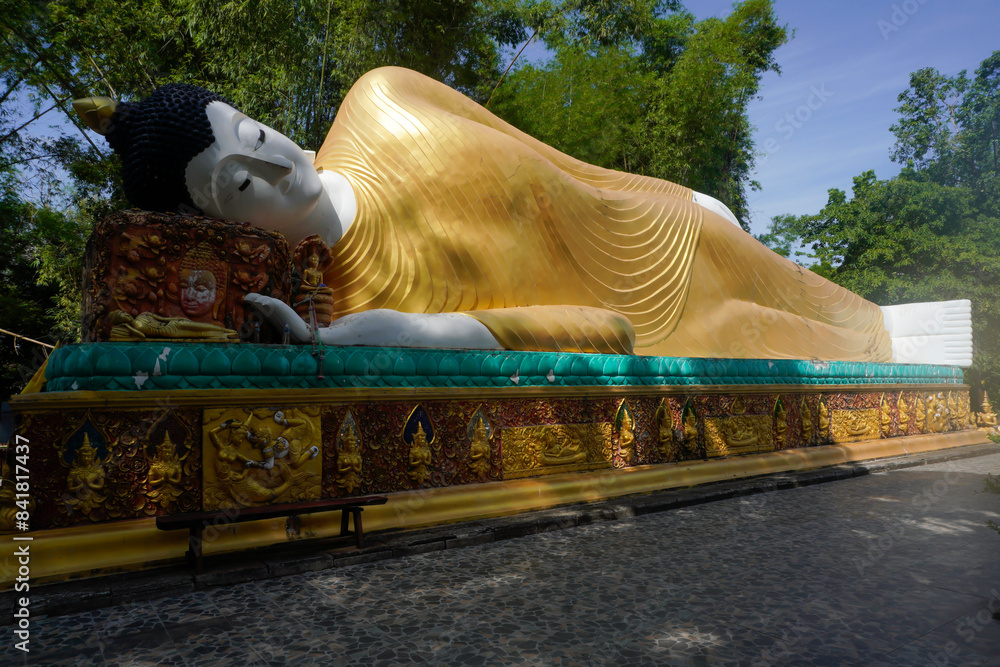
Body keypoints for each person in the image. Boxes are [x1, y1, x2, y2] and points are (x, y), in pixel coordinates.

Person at [74, 69, 972, 363]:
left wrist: (660, 190)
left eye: (256, 133)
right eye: (242, 185)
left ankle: (898, 329)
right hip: (679, 331)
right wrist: (340, 340)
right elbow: (588, 330)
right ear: (235, 231)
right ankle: (903, 341)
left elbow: (542, 151)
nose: (274, 162)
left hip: (654, 220)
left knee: (837, 299)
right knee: (851, 344)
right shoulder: (365, 308)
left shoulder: (382, 98)